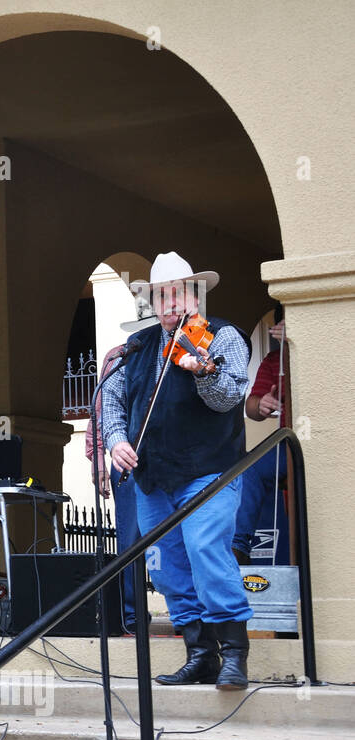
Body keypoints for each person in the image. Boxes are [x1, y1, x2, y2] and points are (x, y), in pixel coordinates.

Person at [100, 252, 253, 689]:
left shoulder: (220, 337)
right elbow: (112, 398)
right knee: (166, 565)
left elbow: (228, 398)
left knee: (206, 550)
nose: (169, 305)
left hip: (209, 470)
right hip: (154, 477)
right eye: (161, 296)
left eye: (178, 294)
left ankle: (234, 654)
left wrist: (202, 371)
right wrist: (116, 439)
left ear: (194, 294)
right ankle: (200, 654)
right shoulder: (139, 346)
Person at [85, 343, 142, 633]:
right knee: (130, 539)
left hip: (174, 460)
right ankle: (132, 616)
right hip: (127, 458)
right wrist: (97, 459)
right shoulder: (121, 355)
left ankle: (192, 614)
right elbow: (101, 411)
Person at [234, 318, 290, 565]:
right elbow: (252, 406)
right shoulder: (273, 360)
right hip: (290, 447)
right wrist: (262, 403)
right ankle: (237, 549)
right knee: (249, 466)